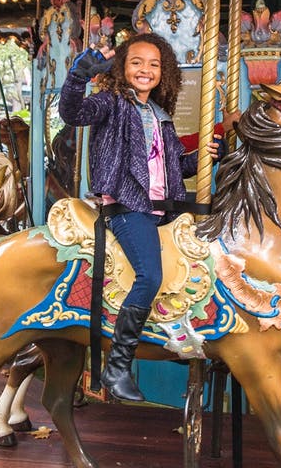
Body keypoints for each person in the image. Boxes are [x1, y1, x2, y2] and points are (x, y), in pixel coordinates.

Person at [59, 33, 215, 403]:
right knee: (150, 275)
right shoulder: (111, 103)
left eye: (154, 64)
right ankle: (117, 366)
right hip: (127, 208)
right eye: (136, 62)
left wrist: (207, 157)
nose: (146, 70)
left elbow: (175, 168)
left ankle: (181, 330)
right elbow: (72, 113)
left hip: (161, 210)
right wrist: (79, 76)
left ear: (164, 72)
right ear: (121, 68)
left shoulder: (160, 115)